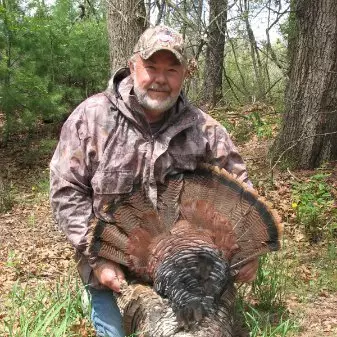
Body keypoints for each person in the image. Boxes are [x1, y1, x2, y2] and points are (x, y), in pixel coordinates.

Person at [50, 25, 258, 337]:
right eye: (151, 67)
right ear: (133, 66)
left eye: (172, 70)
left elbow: (242, 196)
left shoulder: (206, 131)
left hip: (191, 273)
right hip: (115, 268)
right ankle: (94, 298)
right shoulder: (90, 119)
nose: (161, 79)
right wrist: (96, 261)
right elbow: (66, 192)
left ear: (185, 74)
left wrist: (245, 252)